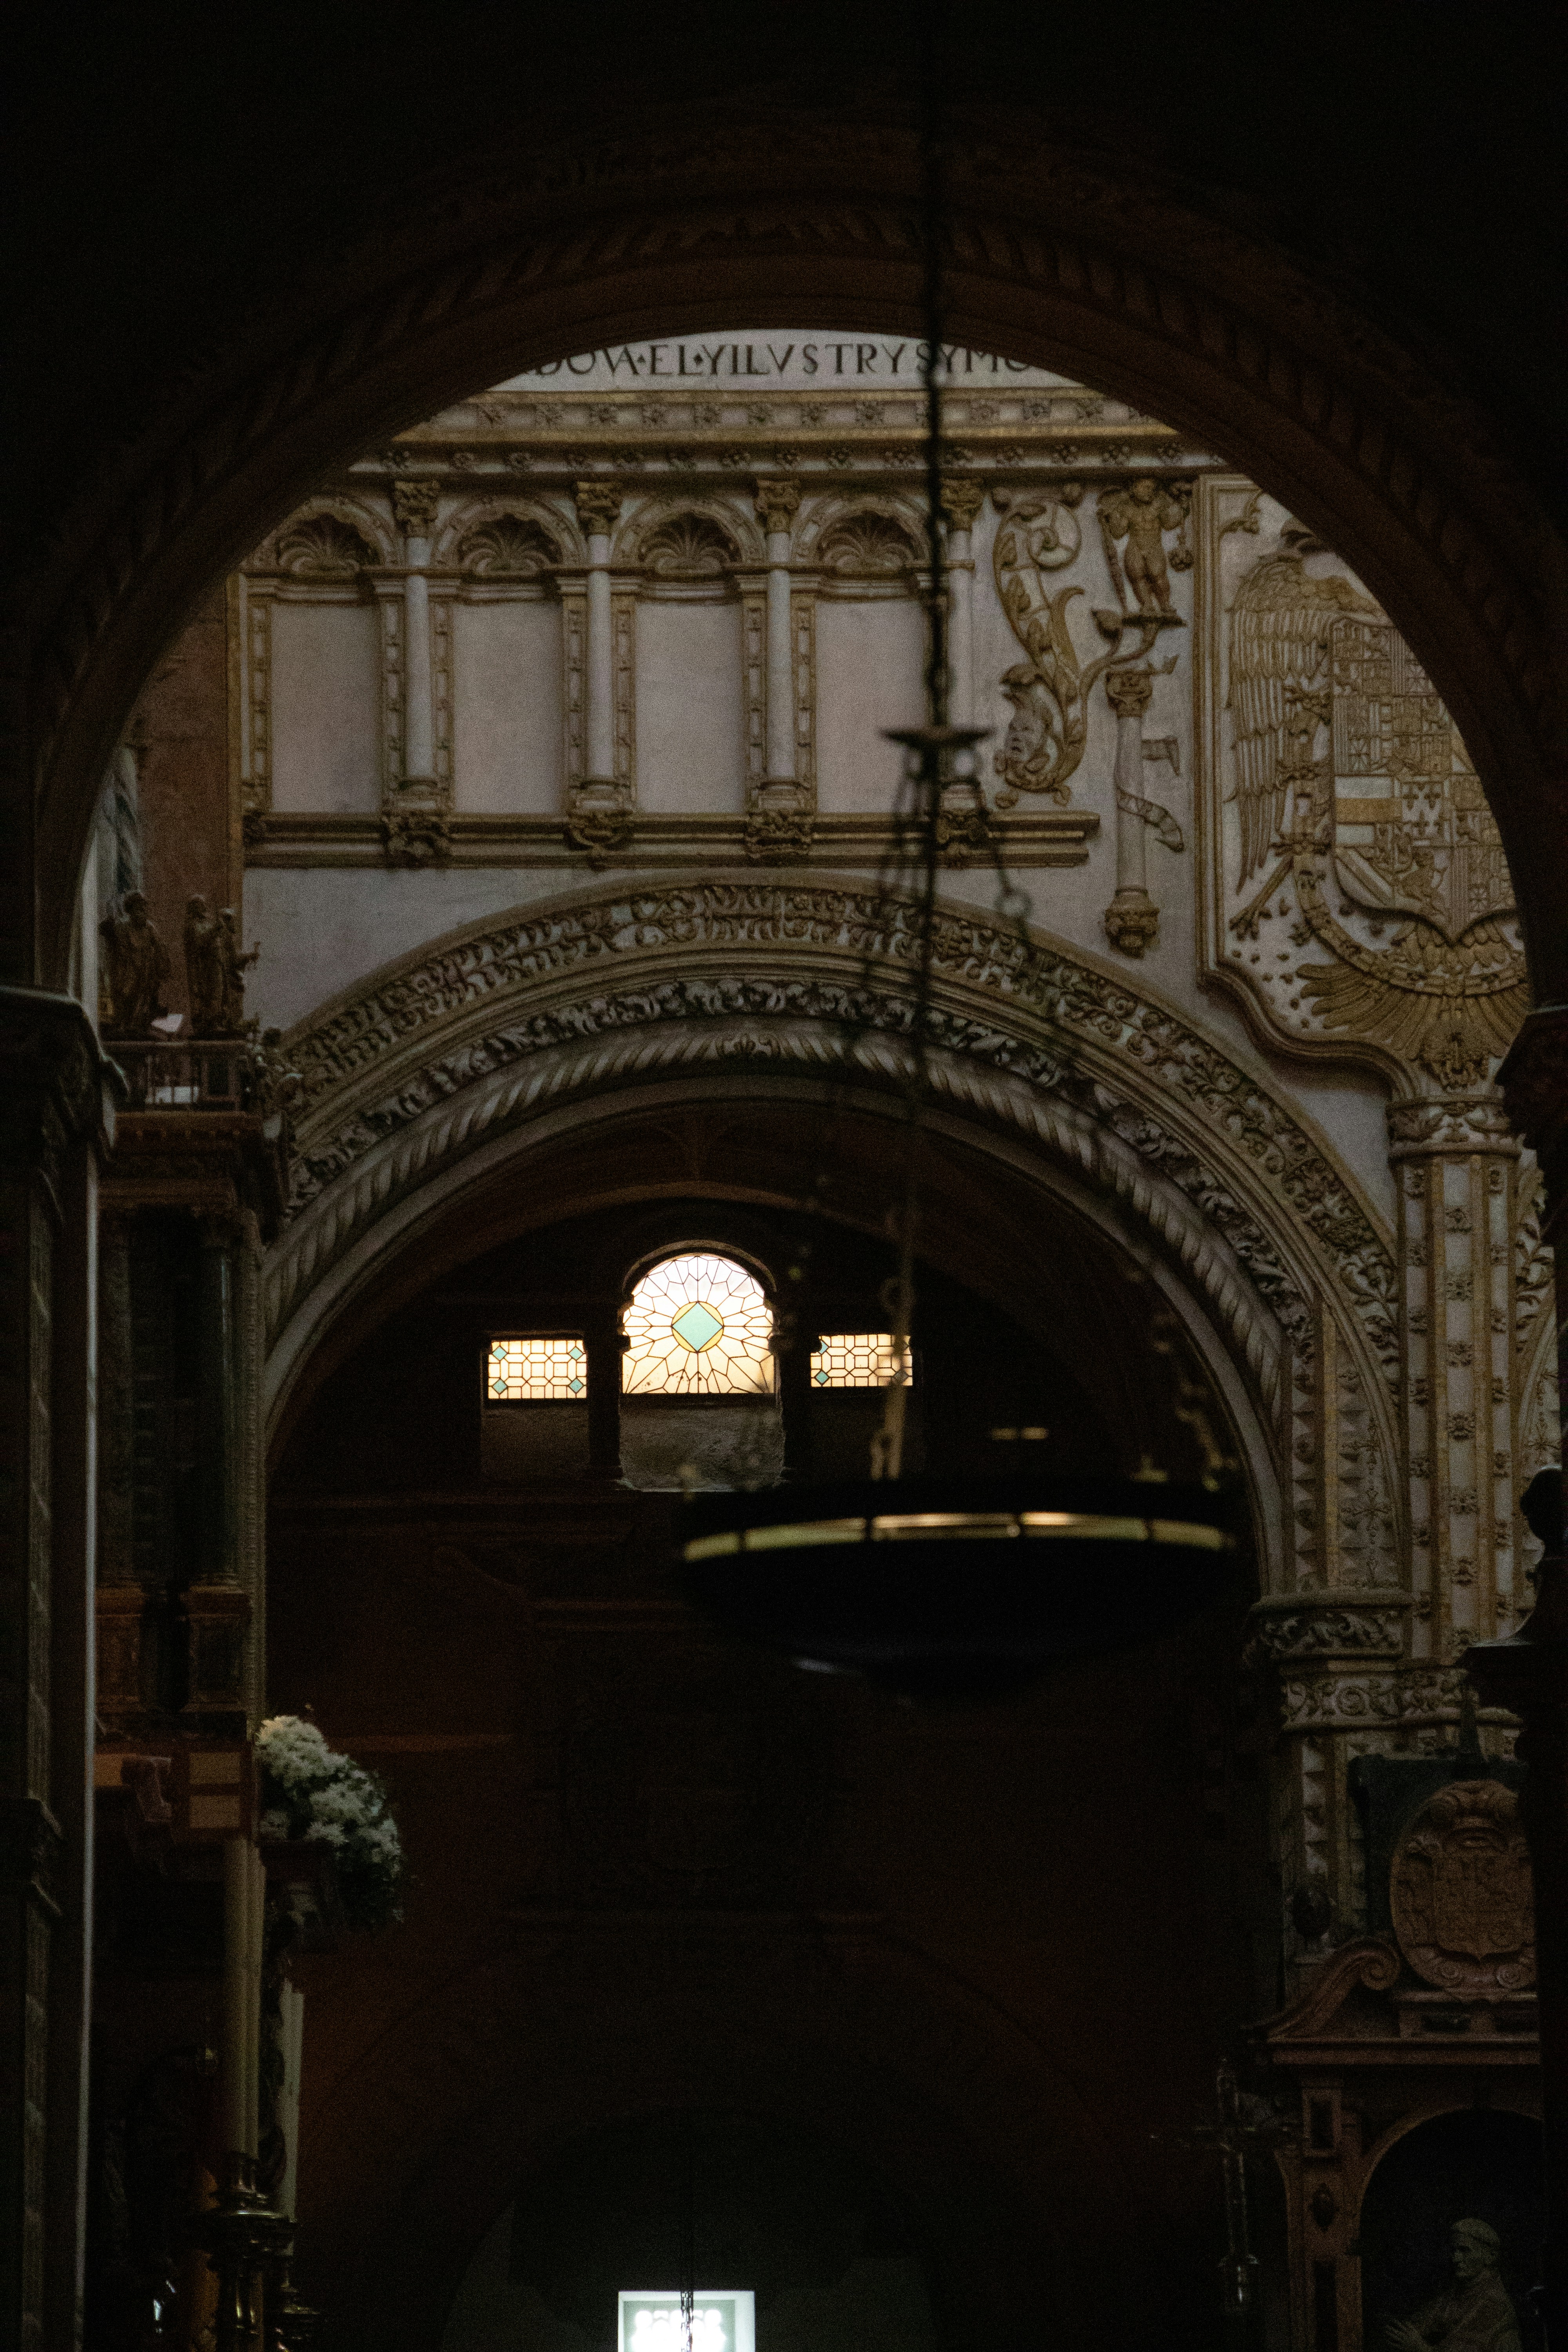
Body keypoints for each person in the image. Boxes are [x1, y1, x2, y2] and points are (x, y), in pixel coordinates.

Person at [1385, 2218, 1522, 2352]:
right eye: (1454, 2250)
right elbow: (1420, 2323)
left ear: (1490, 2256)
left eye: (1465, 2250)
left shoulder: (1494, 2303)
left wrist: (1420, 2348)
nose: (1456, 2258)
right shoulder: (1457, 2292)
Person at [98, 890, 171, 1036]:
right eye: (139, 907)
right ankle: (123, 1023)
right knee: (125, 995)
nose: (142, 911)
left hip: (145, 969)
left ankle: (136, 1024)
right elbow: (113, 942)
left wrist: (162, 967)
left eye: (144, 907)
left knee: (142, 997)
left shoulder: (150, 928)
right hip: (127, 969)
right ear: (131, 910)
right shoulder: (123, 926)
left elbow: (160, 948)